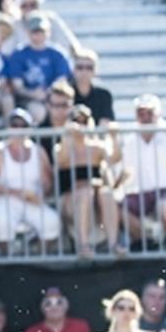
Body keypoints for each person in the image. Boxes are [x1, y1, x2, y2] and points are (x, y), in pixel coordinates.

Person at [113, 93, 166, 250]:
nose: (145, 117)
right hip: (145, 195)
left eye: (150, 112)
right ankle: (151, 244)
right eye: (141, 112)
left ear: (158, 114)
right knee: (116, 208)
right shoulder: (130, 140)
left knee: (165, 209)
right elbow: (124, 171)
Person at [0, 107, 62, 256]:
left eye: (23, 125)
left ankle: (36, 261)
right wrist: (16, 193)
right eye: (14, 125)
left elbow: (48, 183)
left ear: (30, 129)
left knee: (52, 223)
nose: (18, 129)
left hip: (32, 201)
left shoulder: (38, 151)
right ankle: (9, 261)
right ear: (8, 127)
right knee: (1, 223)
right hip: (5, 200)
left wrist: (41, 194)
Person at [54, 104, 122, 258]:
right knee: (85, 192)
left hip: (94, 199)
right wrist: (67, 135)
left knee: (106, 193)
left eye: (84, 121)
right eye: (76, 120)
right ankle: (82, 245)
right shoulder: (62, 147)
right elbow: (60, 159)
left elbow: (115, 158)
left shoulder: (96, 147)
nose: (80, 125)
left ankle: (114, 243)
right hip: (70, 201)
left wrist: (114, 137)